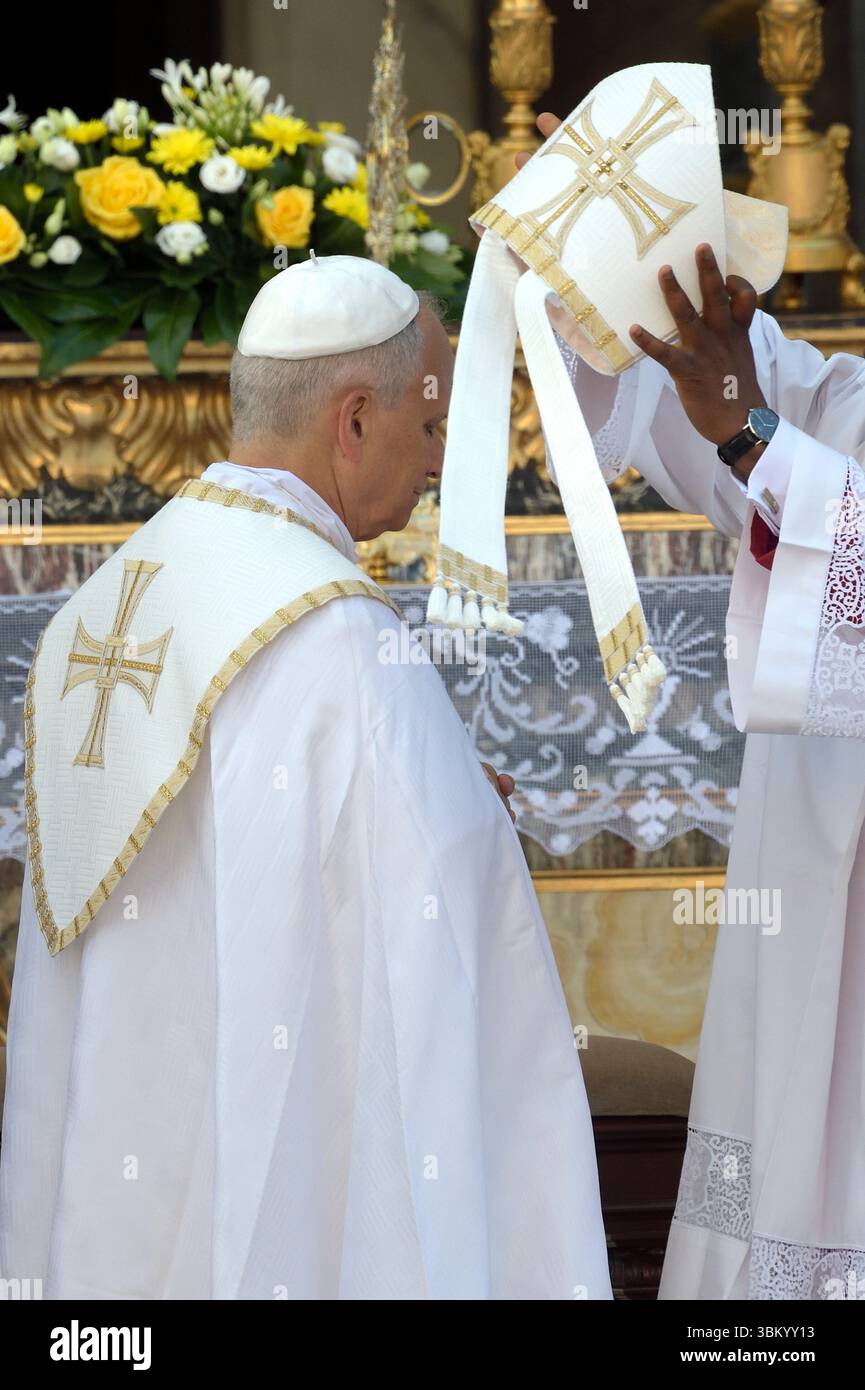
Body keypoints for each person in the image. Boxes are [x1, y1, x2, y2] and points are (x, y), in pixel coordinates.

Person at [0, 254, 611, 1301]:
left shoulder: (99, 610)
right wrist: (474, 814)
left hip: (121, 1165)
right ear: (354, 420)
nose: (435, 462)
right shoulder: (333, 634)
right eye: (427, 429)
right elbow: (444, 932)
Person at [522, 109, 865, 1300]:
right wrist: (586, 249)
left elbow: (784, 459)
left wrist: (754, 434)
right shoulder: (845, 406)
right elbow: (732, 402)